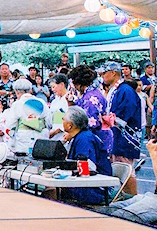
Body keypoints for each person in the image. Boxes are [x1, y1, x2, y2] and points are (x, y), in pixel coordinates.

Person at [102, 60, 142, 196]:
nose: (102, 77)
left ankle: (132, 198)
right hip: (117, 134)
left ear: (113, 73)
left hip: (126, 136)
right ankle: (125, 196)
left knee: (126, 167)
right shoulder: (117, 89)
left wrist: (110, 120)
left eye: (104, 74)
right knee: (119, 166)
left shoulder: (125, 89)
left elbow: (127, 110)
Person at [61, 106, 113, 206]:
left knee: (51, 191)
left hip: (95, 189)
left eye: (63, 119)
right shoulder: (80, 136)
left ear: (70, 126)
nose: (62, 120)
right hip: (89, 186)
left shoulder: (84, 139)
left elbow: (88, 167)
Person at [2, 79, 50, 155]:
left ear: (17, 91)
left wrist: (12, 142)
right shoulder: (42, 102)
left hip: (23, 139)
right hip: (41, 138)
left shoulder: (17, 104)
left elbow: (10, 126)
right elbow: (49, 122)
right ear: (30, 90)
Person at [47, 73, 70, 138]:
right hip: (54, 136)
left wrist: (55, 132)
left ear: (62, 85)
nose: (52, 90)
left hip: (65, 135)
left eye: (54, 87)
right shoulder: (54, 101)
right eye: (51, 87)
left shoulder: (70, 100)